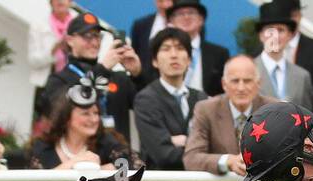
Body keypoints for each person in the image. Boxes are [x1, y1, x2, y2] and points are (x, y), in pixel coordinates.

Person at [42, 12, 141, 141]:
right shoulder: (58, 80)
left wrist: (138, 75)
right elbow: (60, 111)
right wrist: (102, 69)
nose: (94, 42)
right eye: (87, 36)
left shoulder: (118, 78)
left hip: (118, 158)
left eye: (98, 36)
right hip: (80, 157)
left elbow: (149, 107)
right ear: (70, 40)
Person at [133, 27, 203, 169]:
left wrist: (181, 141)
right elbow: (163, 155)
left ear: (189, 59)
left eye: (180, 48)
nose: (174, 55)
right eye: (166, 49)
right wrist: (199, 152)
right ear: (154, 61)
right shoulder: (145, 100)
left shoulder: (202, 99)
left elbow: (214, 145)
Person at [254, 2, 313, 111]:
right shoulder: (248, 71)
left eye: (281, 30)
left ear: (290, 35)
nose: (275, 36)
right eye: (270, 30)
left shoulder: (302, 76)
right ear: (261, 35)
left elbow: (307, 119)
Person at [165, 0, 227, 96]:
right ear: (171, 21)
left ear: (201, 19)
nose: (186, 17)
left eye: (191, 12)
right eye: (180, 14)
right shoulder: (163, 52)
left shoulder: (219, 54)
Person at [28, 0, 75, 121]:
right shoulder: (38, 25)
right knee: (42, 128)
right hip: (45, 84)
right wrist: (53, 51)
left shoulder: (78, 24)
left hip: (73, 84)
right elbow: (33, 60)